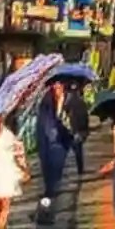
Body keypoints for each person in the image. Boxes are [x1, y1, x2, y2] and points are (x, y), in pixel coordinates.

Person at [35, 81, 73, 219]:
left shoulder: (70, 99)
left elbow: (77, 119)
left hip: (61, 143)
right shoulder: (45, 103)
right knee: (48, 176)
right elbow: (43, 125)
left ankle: (49, 203)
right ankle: (48, 204)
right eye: (55, 86)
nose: (57, 88)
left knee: (56, 175)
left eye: (60, 86)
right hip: (47, 144)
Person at [64, 82, 89, 175]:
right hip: (81, 127)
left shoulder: (69, 101)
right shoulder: (82, 101)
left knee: (77, 148)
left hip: (75, 127)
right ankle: (80, 168)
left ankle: (80, 168)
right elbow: (86, 116)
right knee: (79, 148)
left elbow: (65, 109)